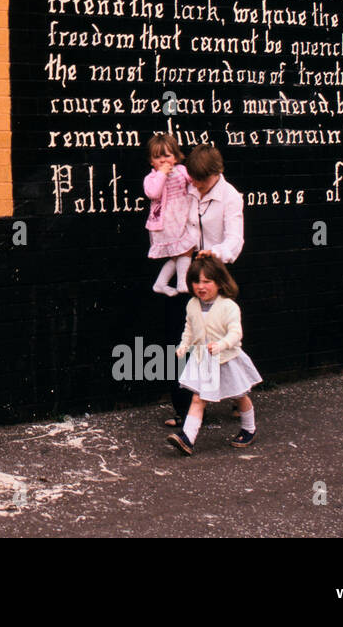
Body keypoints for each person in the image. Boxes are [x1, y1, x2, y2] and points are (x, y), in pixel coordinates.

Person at [161, 143, 244, 428]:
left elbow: (236, 239)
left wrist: (216, 253)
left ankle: (239, 398)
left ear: (216, 173)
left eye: (200, 180)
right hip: (190, 274)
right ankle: (186, 409)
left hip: (217, 274)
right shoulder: (190, 189)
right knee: (187, 337)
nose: (194, 184)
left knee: (221, 340)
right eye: (192, 178)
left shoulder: (230, 197)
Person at [165, 255, 262, 455]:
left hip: (227, 359)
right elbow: (189, 328)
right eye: (196, 282)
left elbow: (236, 333)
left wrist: (221, 344)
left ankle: (249, 428)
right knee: (198, 398)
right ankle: (187, 438)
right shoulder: (192, 304)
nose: (201, 286)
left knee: (239, 396)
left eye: (207, 281)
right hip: (205, 361)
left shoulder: (228, 306)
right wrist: (184, 345)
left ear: (219, 282)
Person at [143, 134, 198, 295]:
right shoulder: (151, 178)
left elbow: (194, 182)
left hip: (182, 218)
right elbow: (153, 193)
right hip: (166, 223)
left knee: (179, 254)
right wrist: (162, 174)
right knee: (186, 248)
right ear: (151, 161)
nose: (163, 160)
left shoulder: (181, 170)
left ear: (176, 158)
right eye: (157, 157)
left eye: (167, 155)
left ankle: (160, 283)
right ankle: (182, 282)